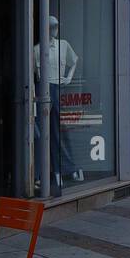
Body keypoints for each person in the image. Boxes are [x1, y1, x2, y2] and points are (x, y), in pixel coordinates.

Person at [34, 14, 80, 189]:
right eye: (51, 26)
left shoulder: (64, 45)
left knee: (60, 131)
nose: (55, 29)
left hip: (58, 88)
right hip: (42, 89)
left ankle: (68, 168)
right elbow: (31, 73)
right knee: (40, 134)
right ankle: (38, 174)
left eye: (56, 26)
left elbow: (74, 61)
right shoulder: (36, 50)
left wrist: (69, 77)